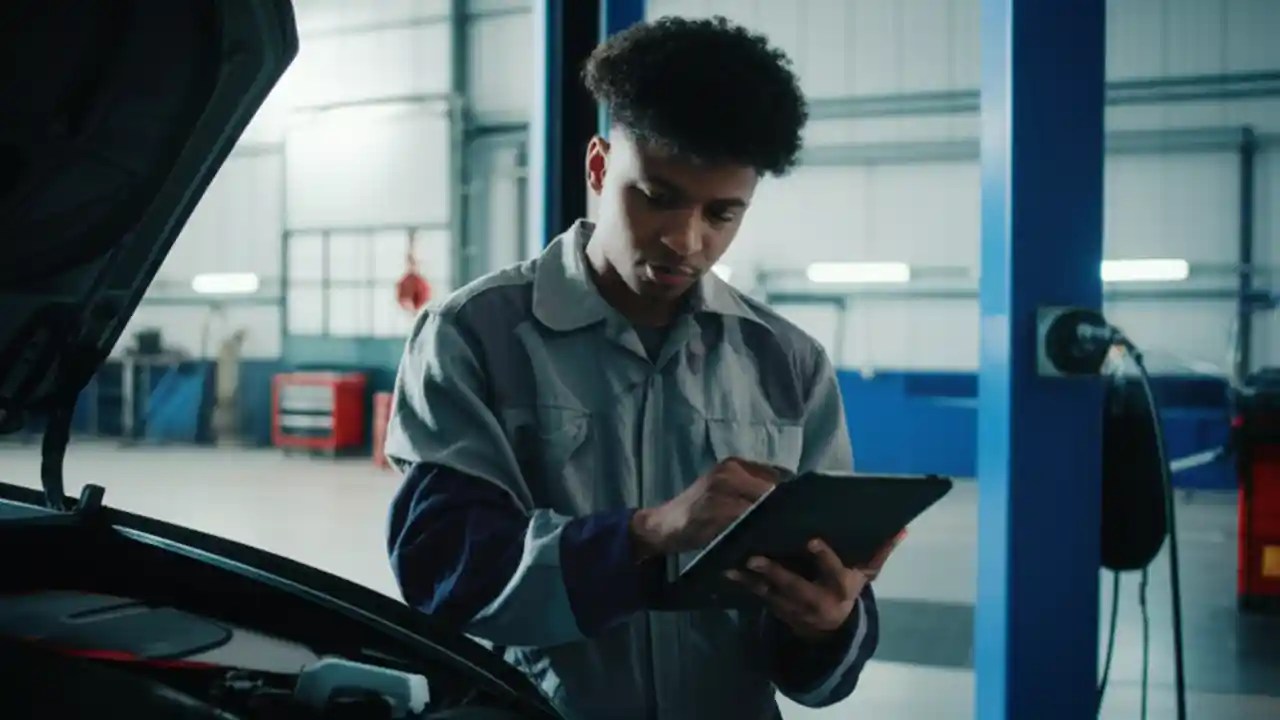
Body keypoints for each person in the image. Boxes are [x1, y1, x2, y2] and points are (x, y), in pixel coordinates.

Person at [384, 16, 903, 720]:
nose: (686, 240)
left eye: (722, 213)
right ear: (599, 167)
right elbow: (444, 572)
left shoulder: (788, 364)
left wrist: (826, 623)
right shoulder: (471, 336)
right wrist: (647, 535)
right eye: (657, 197)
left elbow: (822, 658)